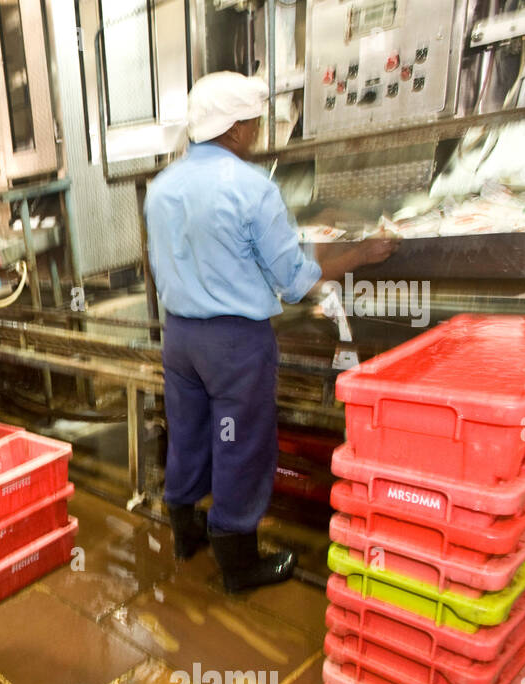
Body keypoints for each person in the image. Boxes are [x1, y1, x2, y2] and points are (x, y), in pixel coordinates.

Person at [145, 72, 398, 594]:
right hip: (234, 345)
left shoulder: (162, 187)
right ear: (237, 129)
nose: (259, 130)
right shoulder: (251, 188)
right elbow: (295, 279)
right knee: (238, 442)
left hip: (181, 340)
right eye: (256, 122)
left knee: (189, 431)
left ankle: (186, 533)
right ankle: (238, 562)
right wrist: (362, 254)